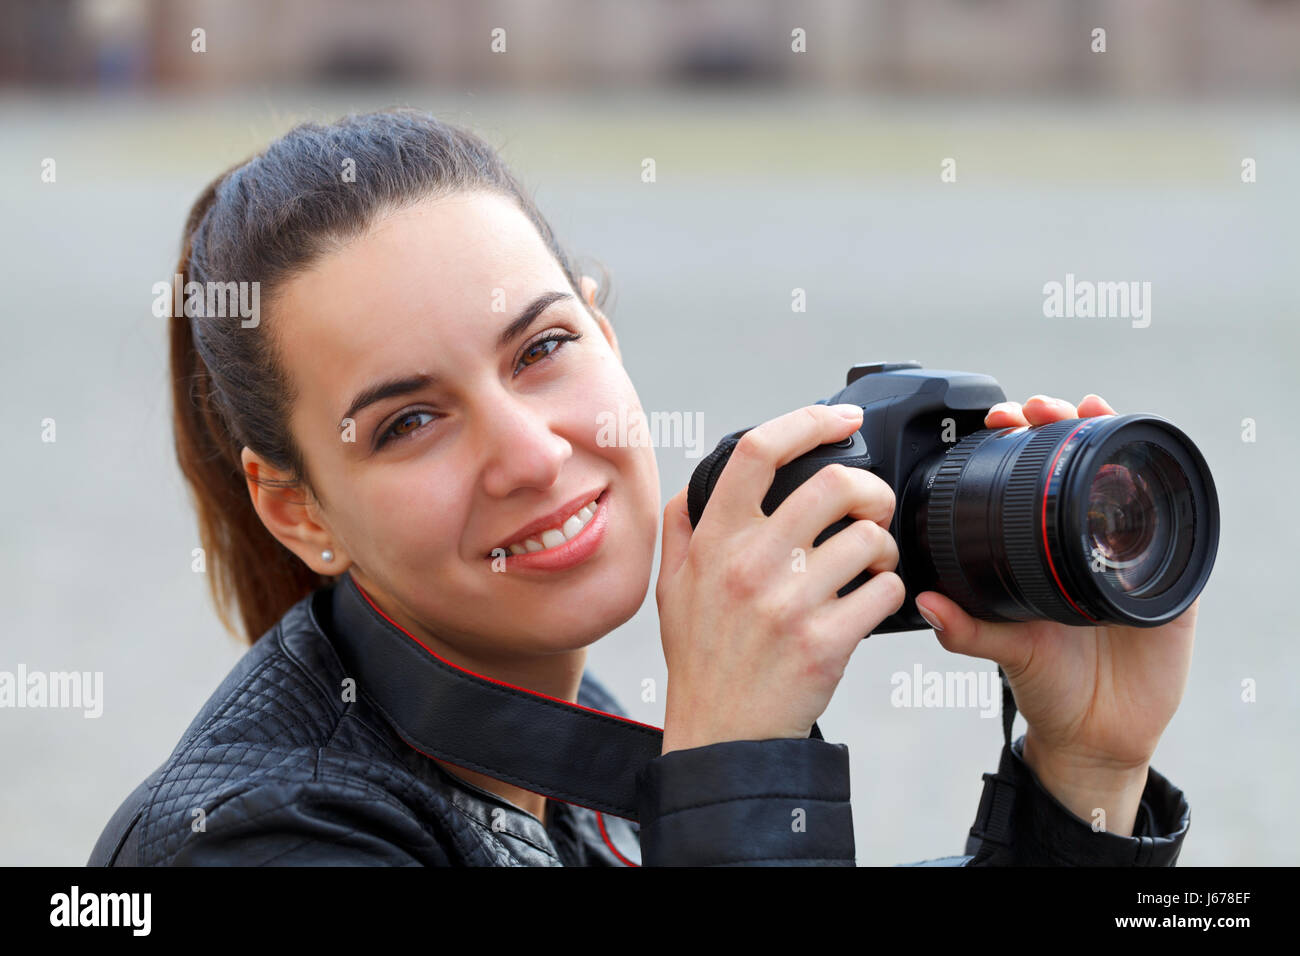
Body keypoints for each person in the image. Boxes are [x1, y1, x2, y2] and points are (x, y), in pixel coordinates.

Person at [88, 109, 1192, 866]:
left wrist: (1086, 773)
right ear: (299, 510)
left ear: (607, 333)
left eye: (541, 347)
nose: (527, 452)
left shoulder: (565, 749)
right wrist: (735, 768)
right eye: (410, 420)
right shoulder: (251, 836)